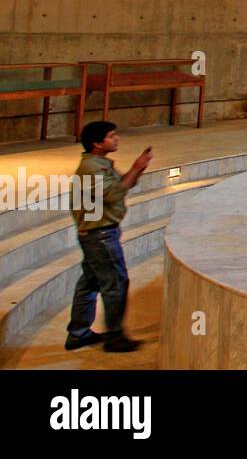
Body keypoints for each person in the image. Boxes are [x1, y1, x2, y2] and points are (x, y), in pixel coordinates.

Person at [64, 121, 152, 353]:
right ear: (97, 143)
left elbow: (124, 184)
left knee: (90, 283)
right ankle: (115, 336)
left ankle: (78, 334)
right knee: (115, 283)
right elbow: (114, 194)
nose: (117, 139)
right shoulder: (91, 168)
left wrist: (139, 168)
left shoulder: (99, 164)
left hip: (97, 233)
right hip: (99, 235)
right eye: (112, 136)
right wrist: (136, 166)